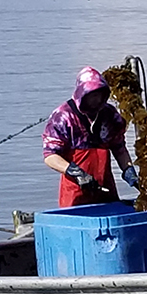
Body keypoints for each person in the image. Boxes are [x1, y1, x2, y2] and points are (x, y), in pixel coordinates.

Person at [42, 66, 137, 206]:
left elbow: (119, 149)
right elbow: (50, 156)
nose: (98, 100)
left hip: (105, 187)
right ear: (83, 94)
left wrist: (129, 171)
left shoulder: (110, 115)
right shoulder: (63, 117)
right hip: (75, 191)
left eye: (100, 95)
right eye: (93, 95)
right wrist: (77, 173)